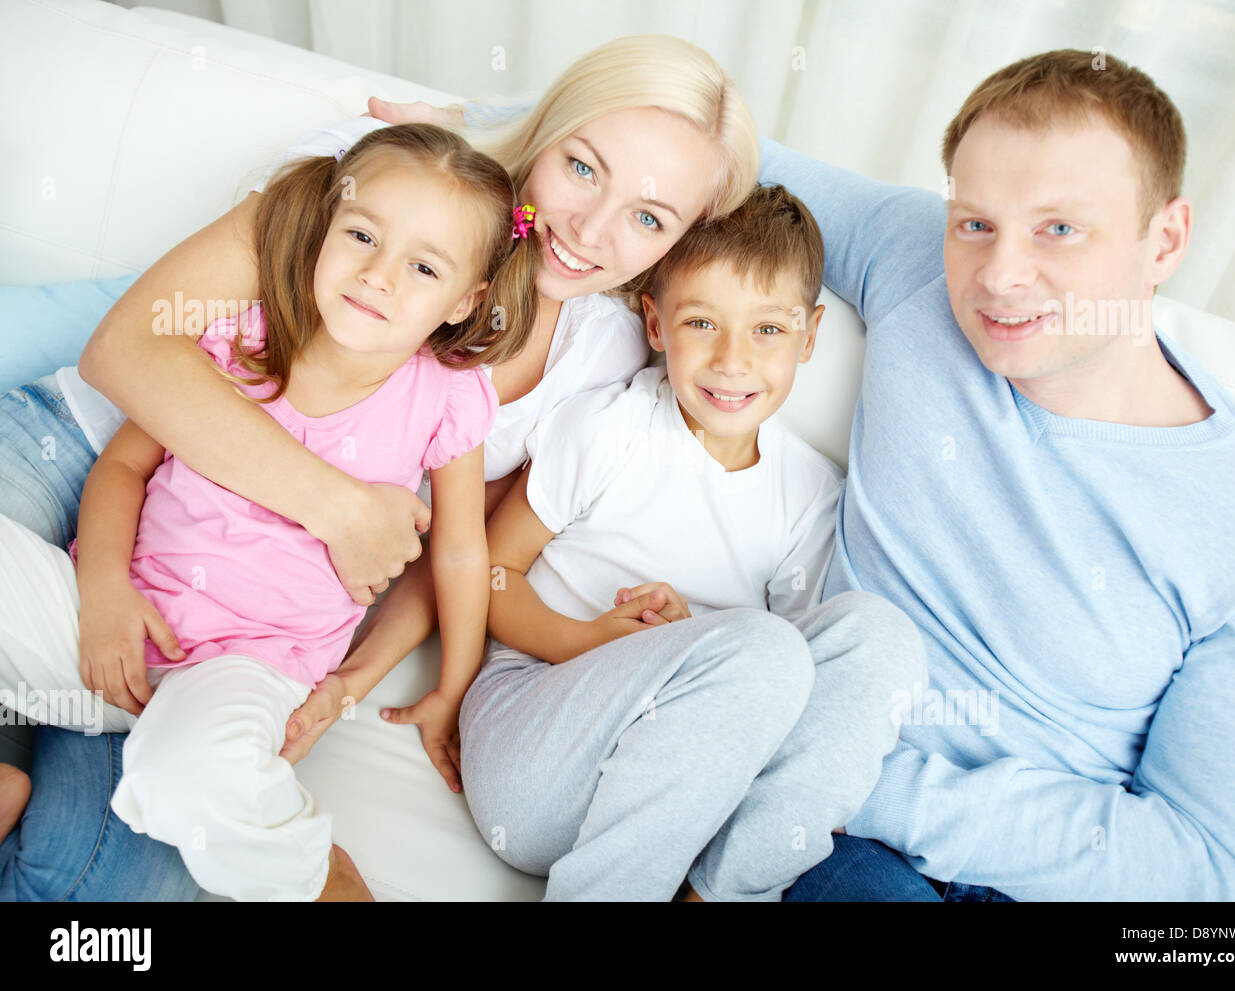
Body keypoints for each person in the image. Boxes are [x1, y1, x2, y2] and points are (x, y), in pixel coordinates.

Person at [0, 34, 758, 900]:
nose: (591, 228)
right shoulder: (373, 179)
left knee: (88, 881)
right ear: (545, 129)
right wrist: (339, 506)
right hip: (83, 456)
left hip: (231, 621)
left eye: (649, 217)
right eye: (583, 167)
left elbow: (448, 548)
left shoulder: (599, 358)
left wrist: (350, 684)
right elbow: (127, 351)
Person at [763, 50, 1235, 901]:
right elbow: (702, 151)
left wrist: (860, 781)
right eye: (974, 222)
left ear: (1164, 239)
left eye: (1058, 228)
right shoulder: (914, 265)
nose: (999, 275)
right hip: (840, 844)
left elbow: (1207, 870)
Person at [0, 121, 534, 901]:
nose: (378, 276)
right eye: (361, 235)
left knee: (188, 781)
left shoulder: (446, 398)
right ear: (323, 230)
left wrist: (454, 683)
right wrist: (107, 591)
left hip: (243, 670)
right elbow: (121, 465)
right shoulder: (237, 336)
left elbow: (457, 550)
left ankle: (321, 874)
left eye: (422, 266)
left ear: (466, 300)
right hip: (107, 624)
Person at [452, 183, 926, 900]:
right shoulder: (611, 428)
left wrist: (688, 643)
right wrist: (604, 643)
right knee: (763, 647)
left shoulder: (808, 491)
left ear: (809, 333)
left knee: (879, 638)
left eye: (768, 330)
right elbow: (490, 572)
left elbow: (776, 685)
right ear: (655, 323)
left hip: (689, 791)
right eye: (702, 323)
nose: (732, 361)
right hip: (539, 742)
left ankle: (718, 892)